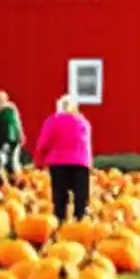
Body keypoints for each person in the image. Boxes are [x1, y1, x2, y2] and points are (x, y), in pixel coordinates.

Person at [33, 94, 93, 222]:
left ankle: (60, 223)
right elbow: (86, 145)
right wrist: (88, 164)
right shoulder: (83, 122)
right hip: (80, 162)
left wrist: (38, 161)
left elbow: (43, 142)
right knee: (80, 197)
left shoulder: (53, 121)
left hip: (59, 162)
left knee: (60, 197)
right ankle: (80, 222)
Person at [0, 90, 25, 183]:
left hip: (5, 144)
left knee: (6, 164)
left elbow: (8, 132)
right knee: (13, 163)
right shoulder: (11, 113)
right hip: (11, 143)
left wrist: (5, 144)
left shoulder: (5, 114)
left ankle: (14, 183)